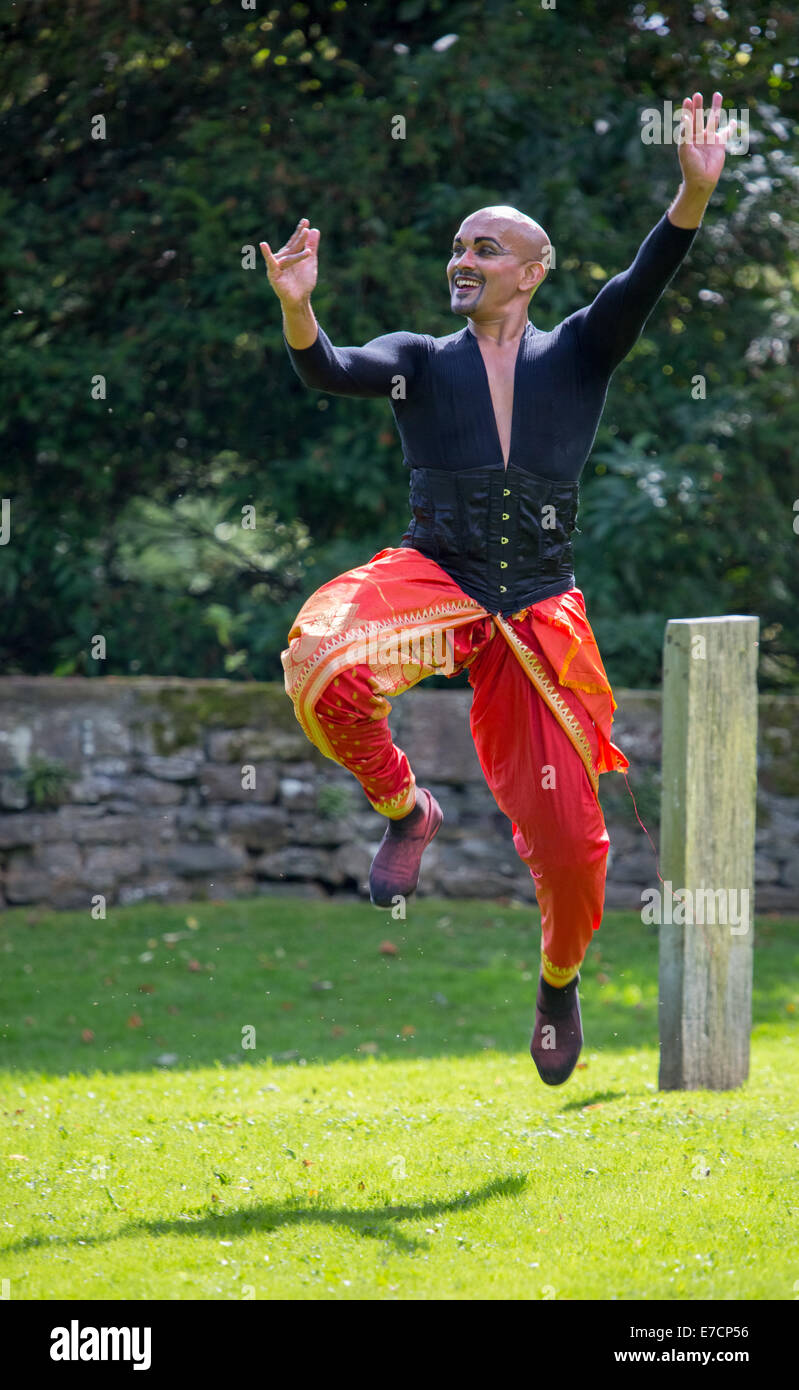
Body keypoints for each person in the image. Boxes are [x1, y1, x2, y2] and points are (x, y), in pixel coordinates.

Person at [262, 92, 733, 1084]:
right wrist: (300, 308)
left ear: (531, 270)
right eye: (456, 246)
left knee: (571, 848)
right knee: (323, 662)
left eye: (484, 248)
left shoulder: (579, 353)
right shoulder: (418, 362)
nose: (462, 259)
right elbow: (330, 372)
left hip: (539, 609)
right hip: (436, 578)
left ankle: (557, 976)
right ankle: (405, 809)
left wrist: (690, 193)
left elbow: (645, 279)